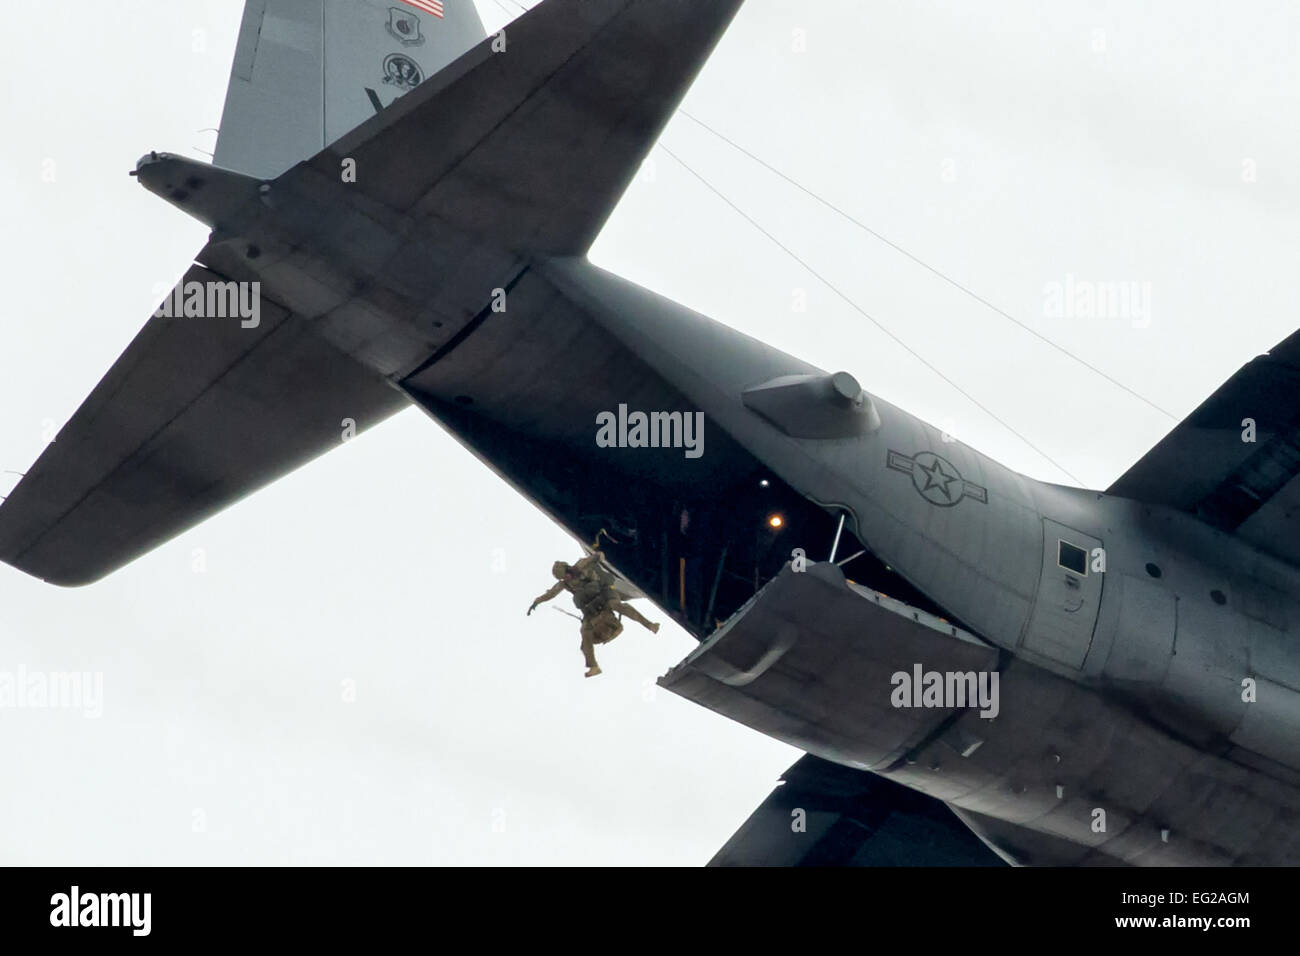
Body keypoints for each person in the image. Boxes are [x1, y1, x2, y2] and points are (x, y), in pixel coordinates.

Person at [528, 552, 659, 677]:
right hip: (590, 608)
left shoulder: (581, 565)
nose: (567, 578)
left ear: (568, 568)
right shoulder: (564, 584)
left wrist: (598, 556)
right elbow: (551, 593)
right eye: (563, 577)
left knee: (618, 606)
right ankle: (593, 666)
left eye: (566, 574)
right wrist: (537, 602)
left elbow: (595, 557)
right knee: (585, 631)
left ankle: (650, 625)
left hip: (603, 595)